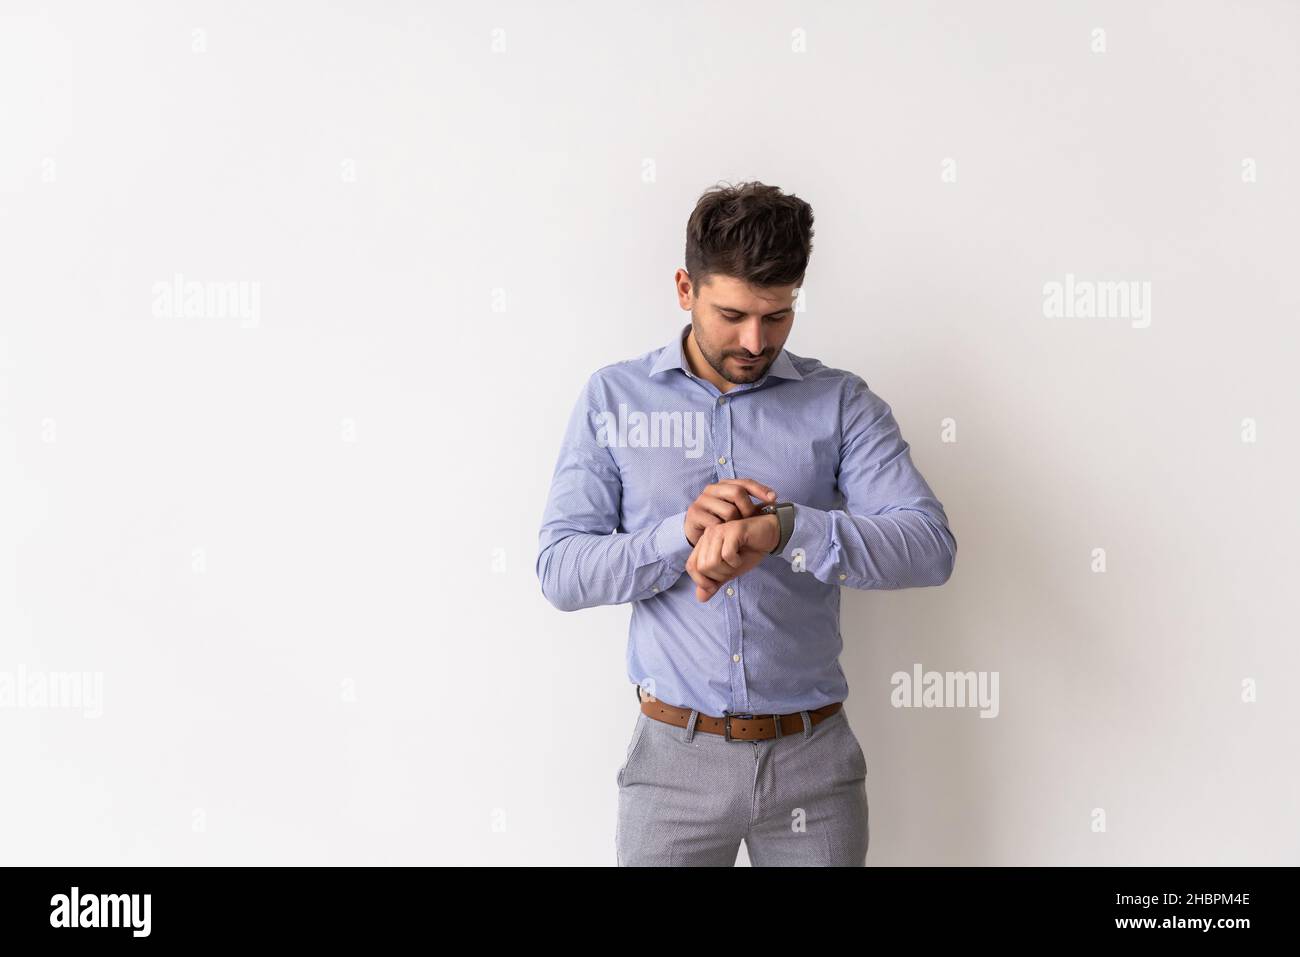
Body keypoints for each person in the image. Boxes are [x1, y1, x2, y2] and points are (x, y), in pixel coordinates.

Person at [536, 181, 957, 865]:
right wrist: (680, 535)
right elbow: (561, 571)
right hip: (672, 764)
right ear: (684, 286)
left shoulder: (840, 402)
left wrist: (786, 528)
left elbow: (929, 547)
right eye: (732, 314)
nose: (755, 340)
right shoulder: (614, 399)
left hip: (813, 765)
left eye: (778, 315)